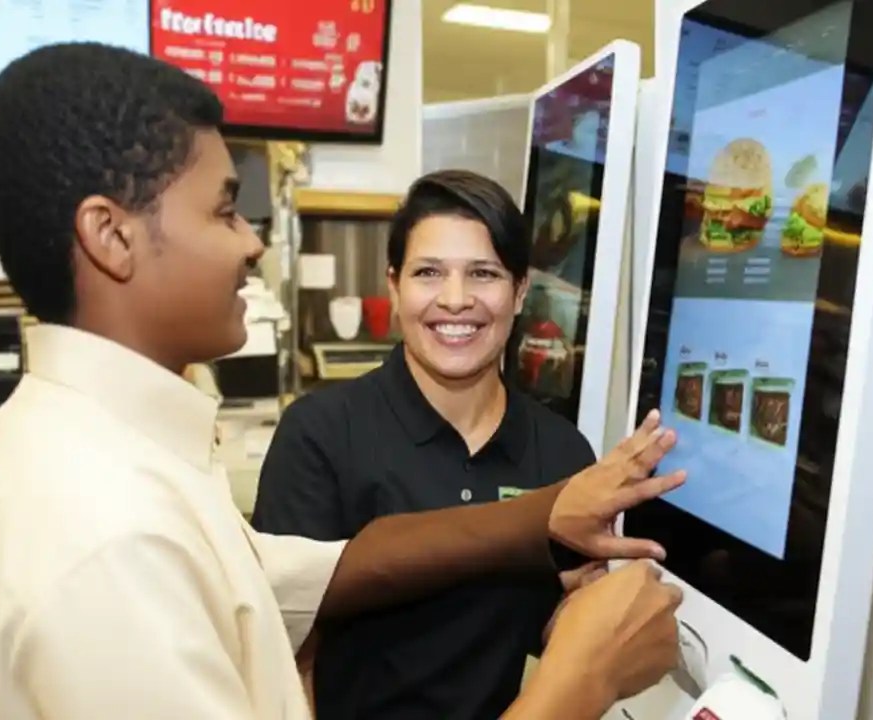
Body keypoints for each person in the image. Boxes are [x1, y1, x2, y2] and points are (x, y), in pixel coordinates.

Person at [0, 42, 686, 720]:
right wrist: (580, 682)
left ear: (519, 290)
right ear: (112, 237)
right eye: (225, 210)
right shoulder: (108, 539)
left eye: (482, 274)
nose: (252, 243)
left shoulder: (111, 464)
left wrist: (549, 518)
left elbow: (326, 571)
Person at [253, 169, 610, 719]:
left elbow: (565, 635)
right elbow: (286, 650)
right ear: (394, 286)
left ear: (519, 293)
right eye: (428, 273)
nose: (455, 300)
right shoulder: (321, 435)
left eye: (483, 274)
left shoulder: (563, 455)